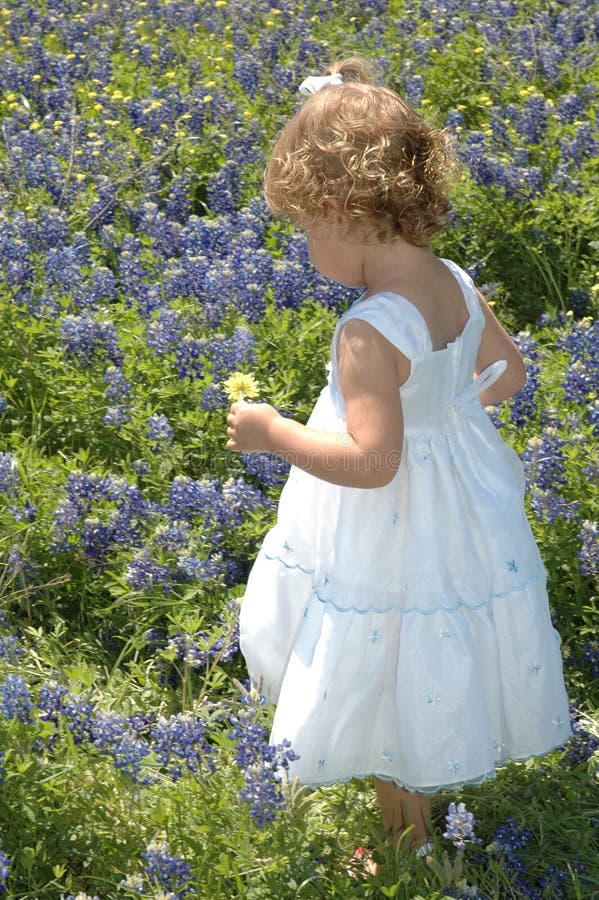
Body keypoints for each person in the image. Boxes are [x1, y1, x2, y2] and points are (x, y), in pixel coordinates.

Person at [224, 57, 572, 862]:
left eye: (306, 230)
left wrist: (273, 433)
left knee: (386, 656)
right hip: (462, 502)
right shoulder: (452, 277)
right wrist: (442, 422)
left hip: (390, 523)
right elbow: (507, 374)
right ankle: (445, 761)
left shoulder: (366, 332)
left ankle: (405, 841)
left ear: (342, 212)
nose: (305, 248)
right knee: (447, 628)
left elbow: (372, 462)